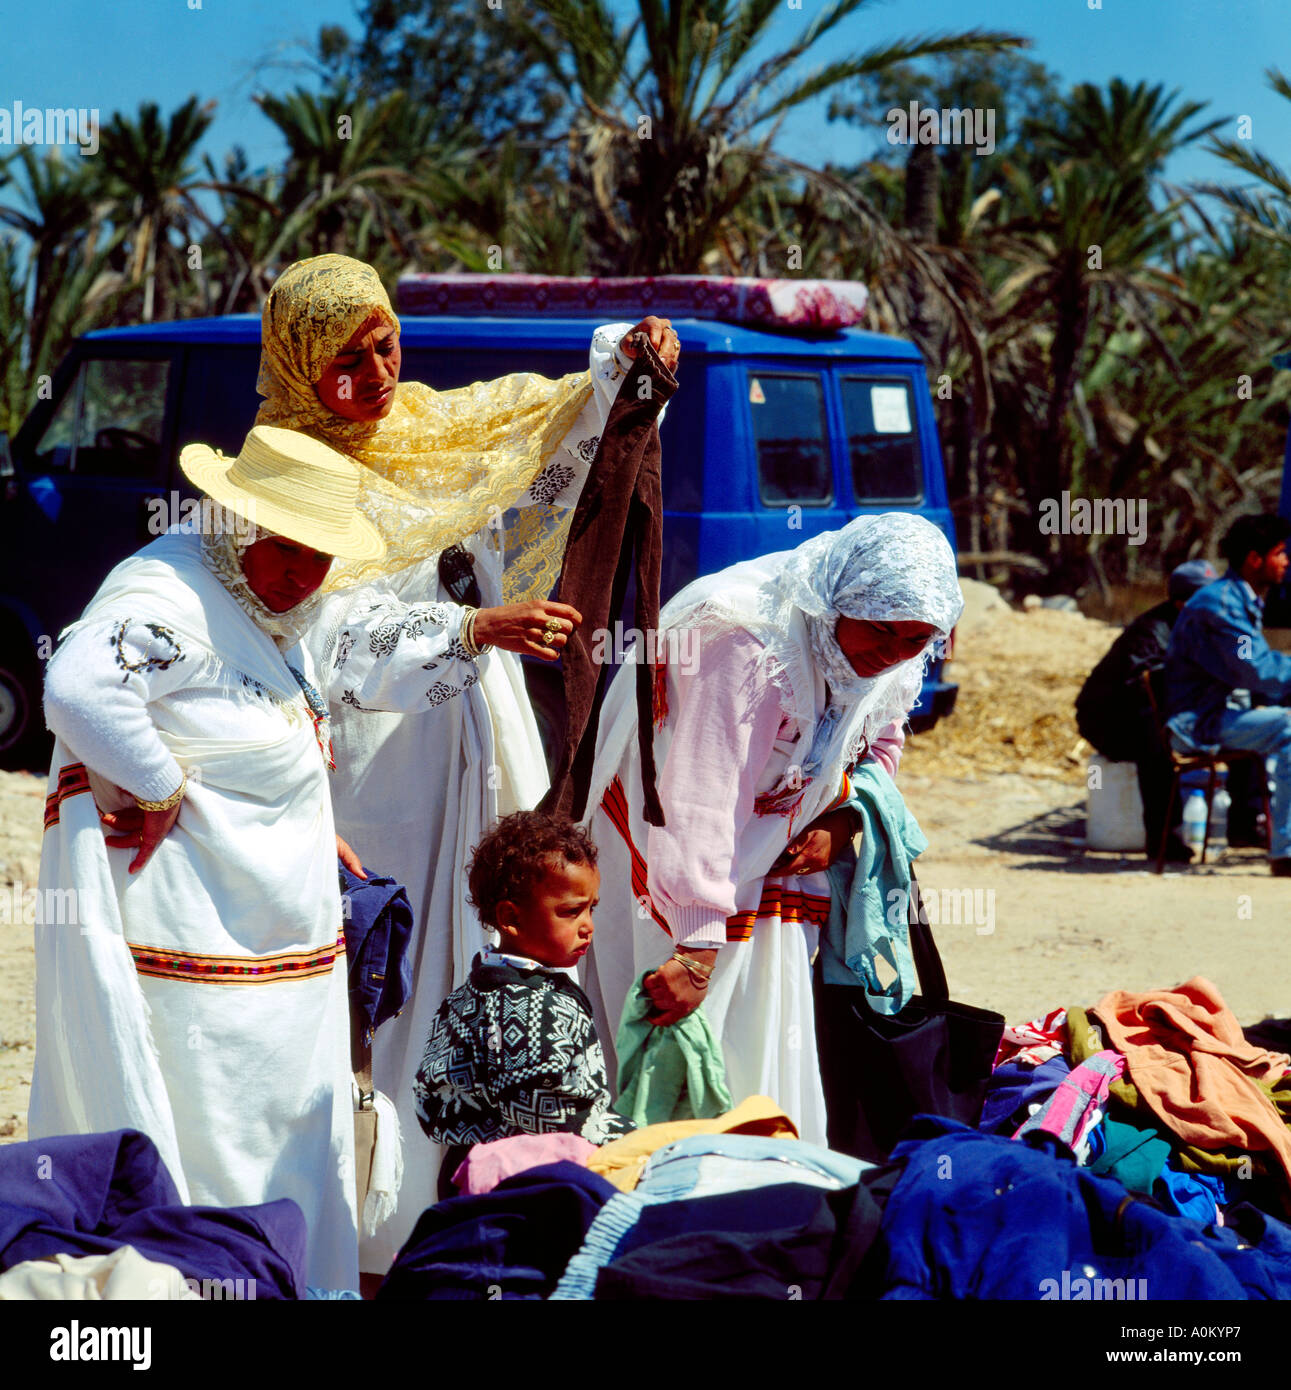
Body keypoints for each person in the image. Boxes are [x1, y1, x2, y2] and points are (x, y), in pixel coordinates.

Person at [258, 253, 681, 1268]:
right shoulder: (279, 471)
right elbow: (317, 641)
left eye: (386, 340)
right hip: (378, 771)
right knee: (392, 994)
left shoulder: (428, 431)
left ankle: (475, 1225)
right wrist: (466, 630)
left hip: (475, 735)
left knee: (475, 972)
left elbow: (543, 421)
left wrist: (626, 368)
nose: (377, 369)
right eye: (348, 356)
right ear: (295, 361)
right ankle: (373, 1241)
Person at [30, 426, 517, 1290]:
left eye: (320, 557)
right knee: (209, 1135)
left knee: (289, 1139)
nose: (303, 575)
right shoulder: (169, 592)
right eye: (284, 550)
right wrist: (157, 784)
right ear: (234, 520)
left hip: (288, 957)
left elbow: (351, 657)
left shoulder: (279, 603)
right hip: (195, 954)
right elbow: (77, 686)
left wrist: (475, 628)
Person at [579, 513, 964, 1143]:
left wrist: (841, 815)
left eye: (916, 640)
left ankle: (763, 1200)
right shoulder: (743, 639)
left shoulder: (888, 646)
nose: (892, 653)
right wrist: (698, 945)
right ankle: (675, 1210)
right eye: (881, 631)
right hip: (674, 867)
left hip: (768, 864)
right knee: (685, 1049)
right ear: (836, 599)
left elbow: (881, 733)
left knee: (761, 1038)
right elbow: (698, 794)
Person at [414, 811, 635, 1198]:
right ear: (510, 918)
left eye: (591, 908)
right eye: (570, 911)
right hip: (523, 1186)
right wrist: (627, 1138)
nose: (588, 926)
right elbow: (545, 1116)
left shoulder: (468, 995)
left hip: (469, 1175)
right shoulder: (531, 1006)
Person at [1165, 513, 1291, 875]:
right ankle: (1286, 851)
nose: (1286, 562)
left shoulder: (1237, 598)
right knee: (1287, 729)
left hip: (1214, 713)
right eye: (1280, 553)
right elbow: (1255, 668)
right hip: (1196, 723)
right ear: (1255, 559)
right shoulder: (1221, 606)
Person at [1076, 559, 1218, 862]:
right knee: (1156, 739)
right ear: (1183, 603)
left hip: (1146, 713)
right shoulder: (1154, 631)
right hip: (1107, 720)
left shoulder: (1198, 625)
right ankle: (1162, 837)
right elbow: (1144, 687)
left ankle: (1246, 824)